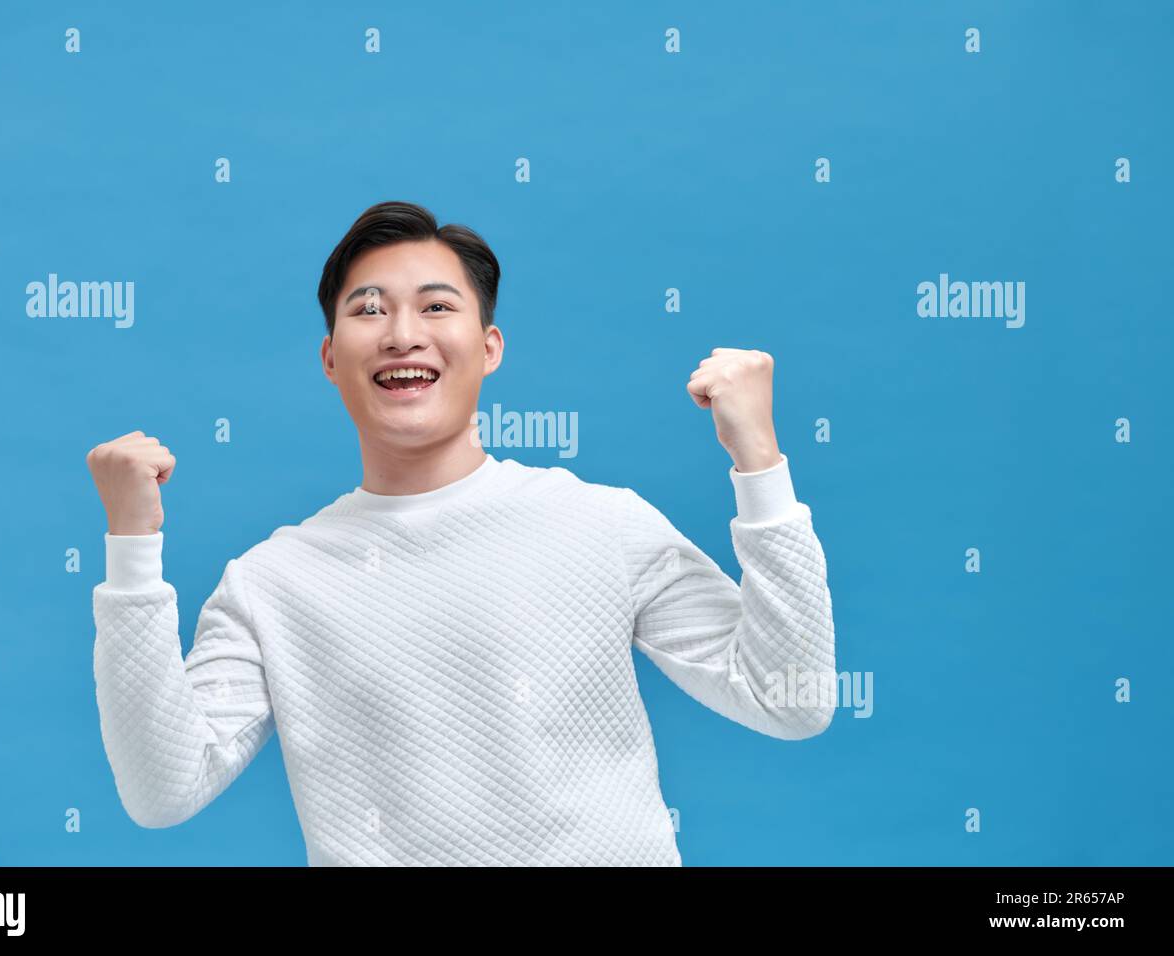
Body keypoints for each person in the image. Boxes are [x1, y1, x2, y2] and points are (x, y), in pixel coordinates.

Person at [86, 200, 836, 866]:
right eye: (369, 310)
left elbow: (790, 701)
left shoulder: (600, 523)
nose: (402, 335)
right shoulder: (271, 582)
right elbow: (164, 790)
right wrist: (131, 552)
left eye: (438, 307)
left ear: (488, 347)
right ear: (329, 358)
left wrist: (760, 463)